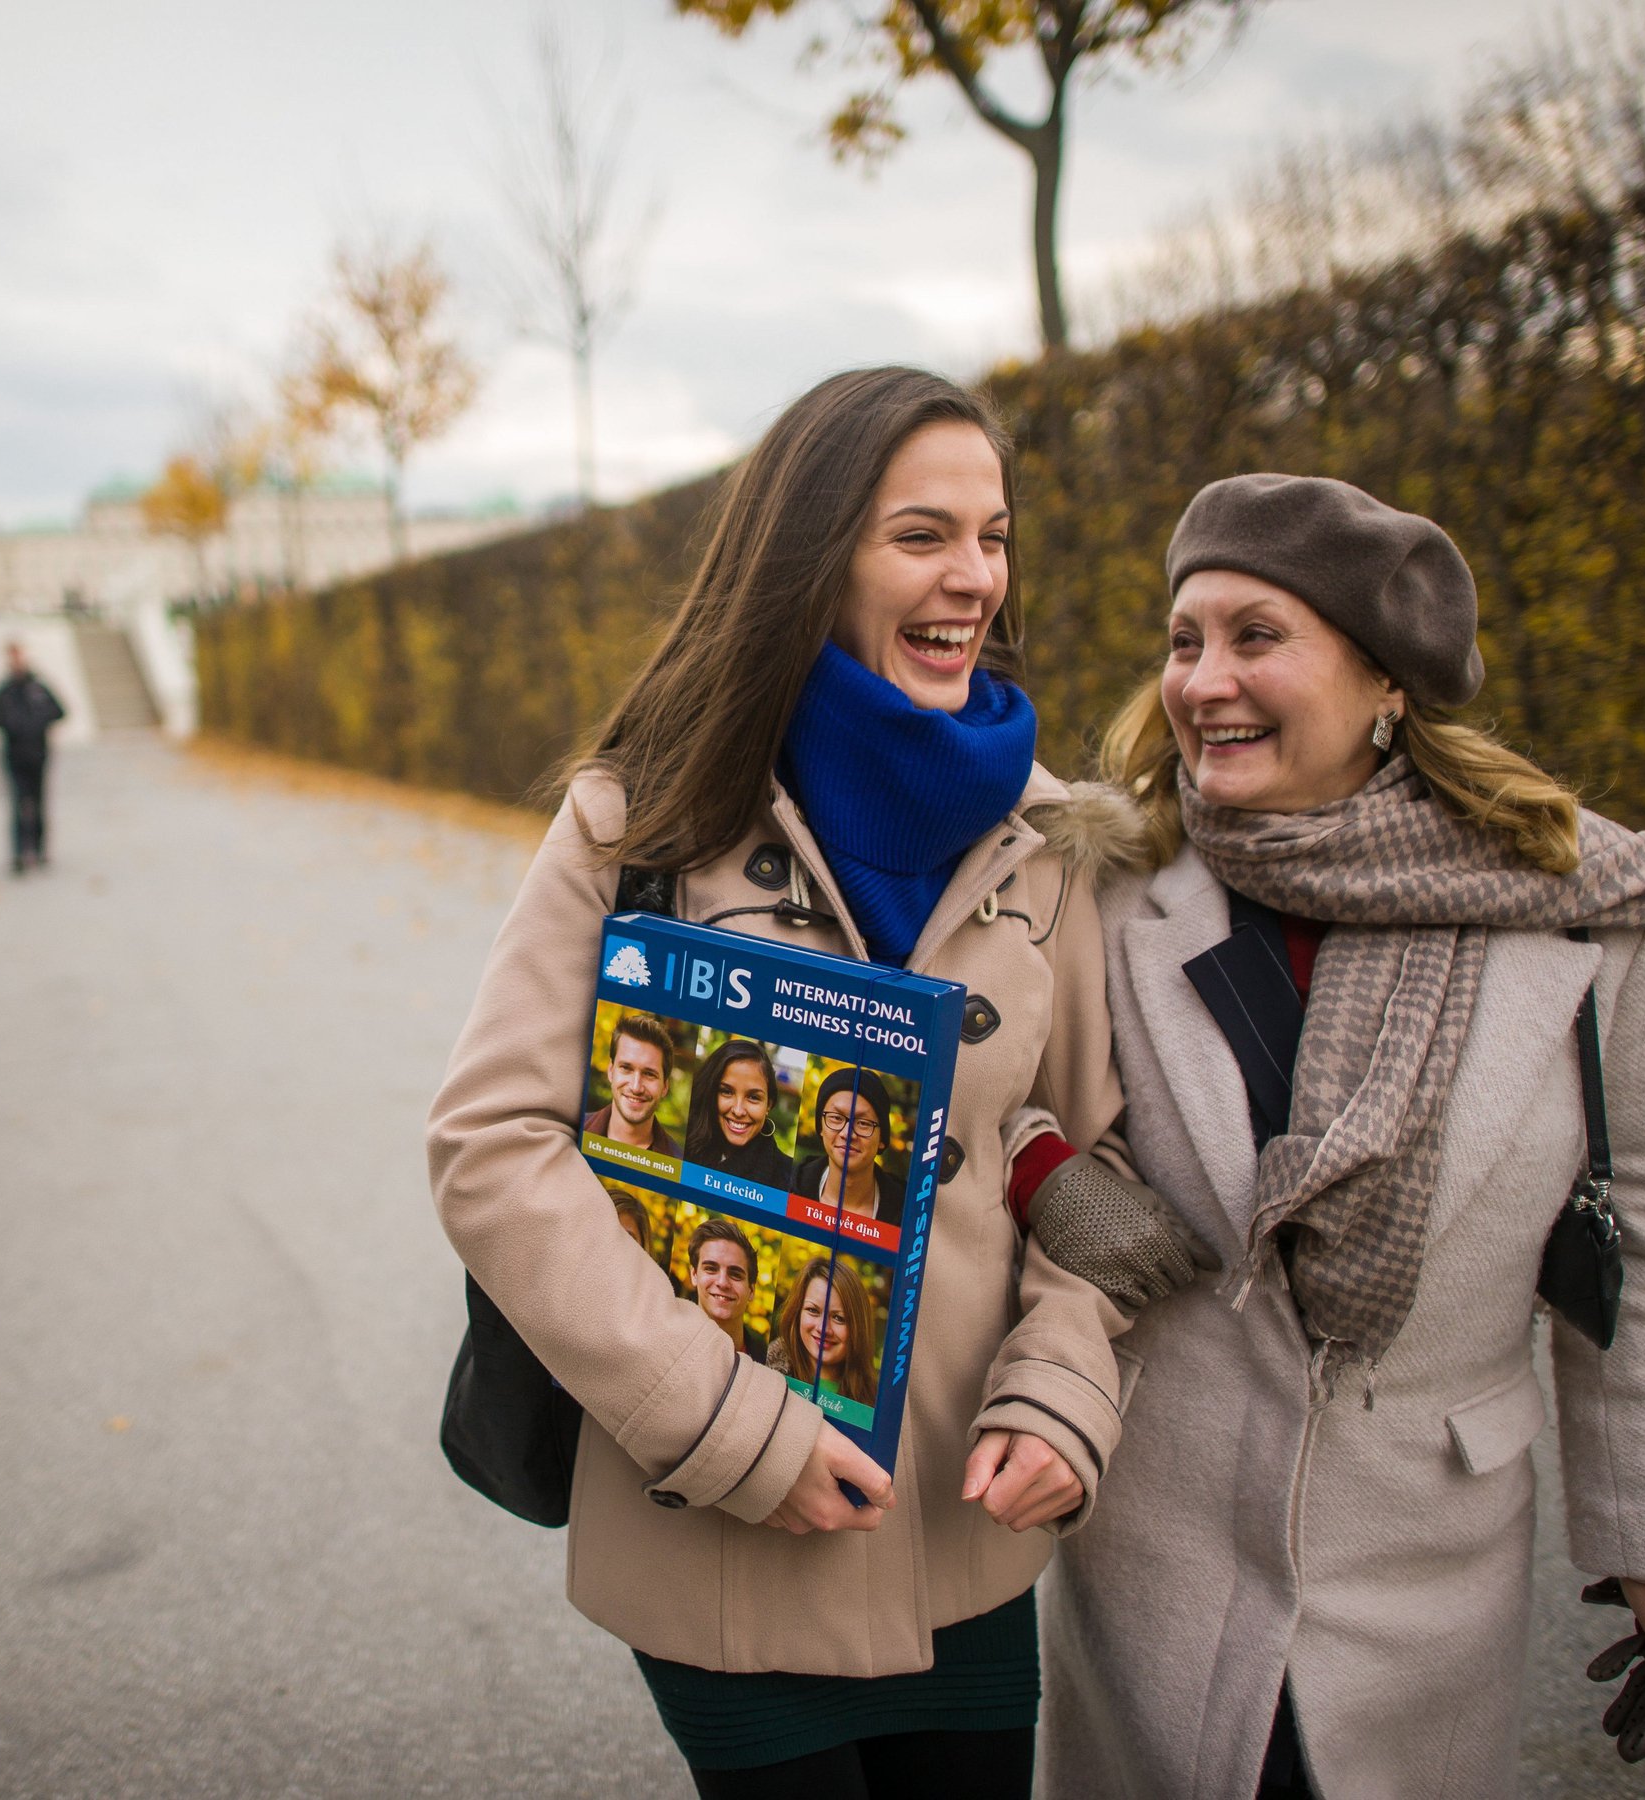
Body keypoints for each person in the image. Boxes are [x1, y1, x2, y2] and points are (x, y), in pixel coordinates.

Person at [429, 367, 1195, 1800]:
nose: (973, 576)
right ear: (812, 558)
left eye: (994, 535)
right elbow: (491, 1142)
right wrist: (723, 1426)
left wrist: (1059, 1393)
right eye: (922, 535)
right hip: (714, 1527)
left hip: (965, 1524)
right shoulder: (636, 814)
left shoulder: (1052, 845)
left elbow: (1104, 1166)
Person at [1031, 474, 1645, 1799]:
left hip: (1428, 1554)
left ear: (1386, 683)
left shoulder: (1592, 913)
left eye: (1258, 637)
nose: (1203, 680)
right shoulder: (1109, 884)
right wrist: (1050, 1178)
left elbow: (1639, 1234)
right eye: (1185, 640)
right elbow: (1006, 1093)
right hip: (1159, 1549)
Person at [0, 639, 66, 874]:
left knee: (39, 802)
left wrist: (38, 723)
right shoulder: (4, 690)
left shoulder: (38, 688)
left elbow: (59, 711)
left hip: (38, 753)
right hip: (14, 755)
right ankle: (20, 852)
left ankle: (39, 849)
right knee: (18, 802)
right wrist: (12, 725)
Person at [787, 1070, 906, 1226]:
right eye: (836, 1118)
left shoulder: (907, 1213)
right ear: (821, 1127)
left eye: (863, 1123)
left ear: (881, 1140)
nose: (848, 1134)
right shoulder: (788, 1188)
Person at [766, 1258, 879, 1410]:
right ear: (797, 1313)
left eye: (839, 1318)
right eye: (813, 1310)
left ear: (857, 1328)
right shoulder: (764, 1375)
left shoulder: (876, 1404)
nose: (824, 1329)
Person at [680, 1038, 793, 1188]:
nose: (738, 1111)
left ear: (768, 1105)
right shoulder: (681, 1148)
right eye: (726, 1092)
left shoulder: (787, 1177)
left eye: (753, 1097)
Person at [582, 1013, 680, 1157]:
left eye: (649, 1074)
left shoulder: (678, 1162)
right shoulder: (575, 1130)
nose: (636, 1087)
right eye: (626, 1068)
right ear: (611, 1071)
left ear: (665, 1086)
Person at [684, 1217, 770, 1362]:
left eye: (735, 1274)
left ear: (752, 1290)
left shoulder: (765, 1358)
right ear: (694, 1275)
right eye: (711, 1269)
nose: (722, 1283)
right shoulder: (665, 1340)